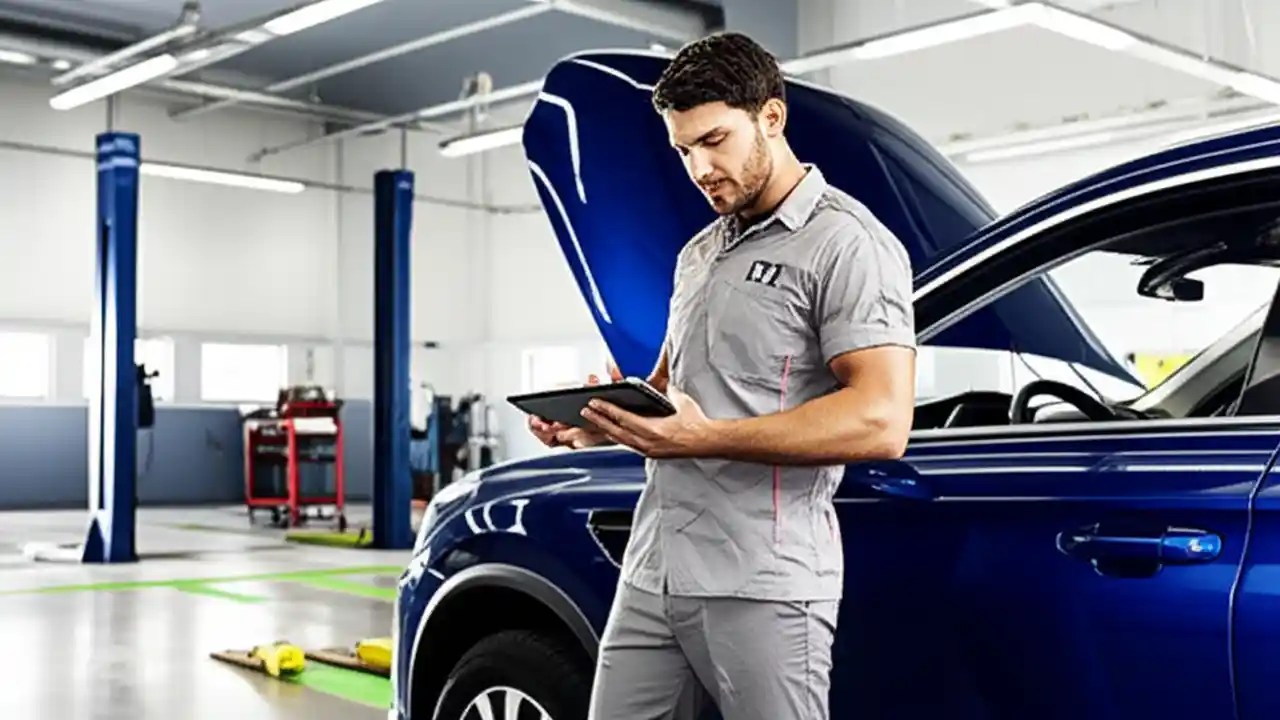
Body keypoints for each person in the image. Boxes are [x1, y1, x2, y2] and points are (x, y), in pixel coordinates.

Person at [528, 31, 917, 720]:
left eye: (714, 140)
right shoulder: (698, 254)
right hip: (656, 569)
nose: (700, 167)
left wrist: (702, 438)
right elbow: (671, 401)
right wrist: (593, 422)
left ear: (771, 117)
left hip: (764, 582)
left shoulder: (850, 245)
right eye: (683, 150)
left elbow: (882, 420)